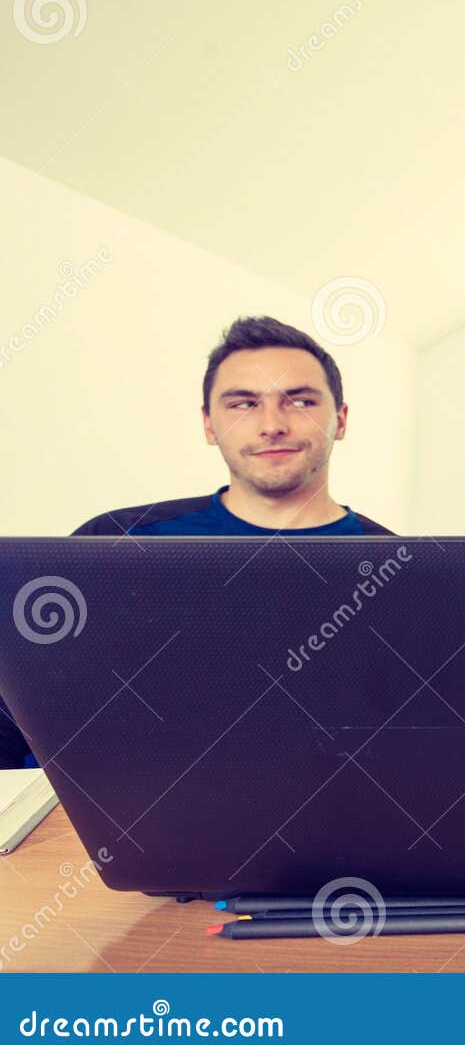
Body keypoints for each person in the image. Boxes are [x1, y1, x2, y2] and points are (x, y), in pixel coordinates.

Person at [0, 316, 393, 768]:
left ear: (340, 420)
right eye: (243, 404)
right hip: (98, 826)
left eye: (300, 401)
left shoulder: (403, 570)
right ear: (209, 426)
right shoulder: (113, 542)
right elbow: (14, 713)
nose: (271, 424)